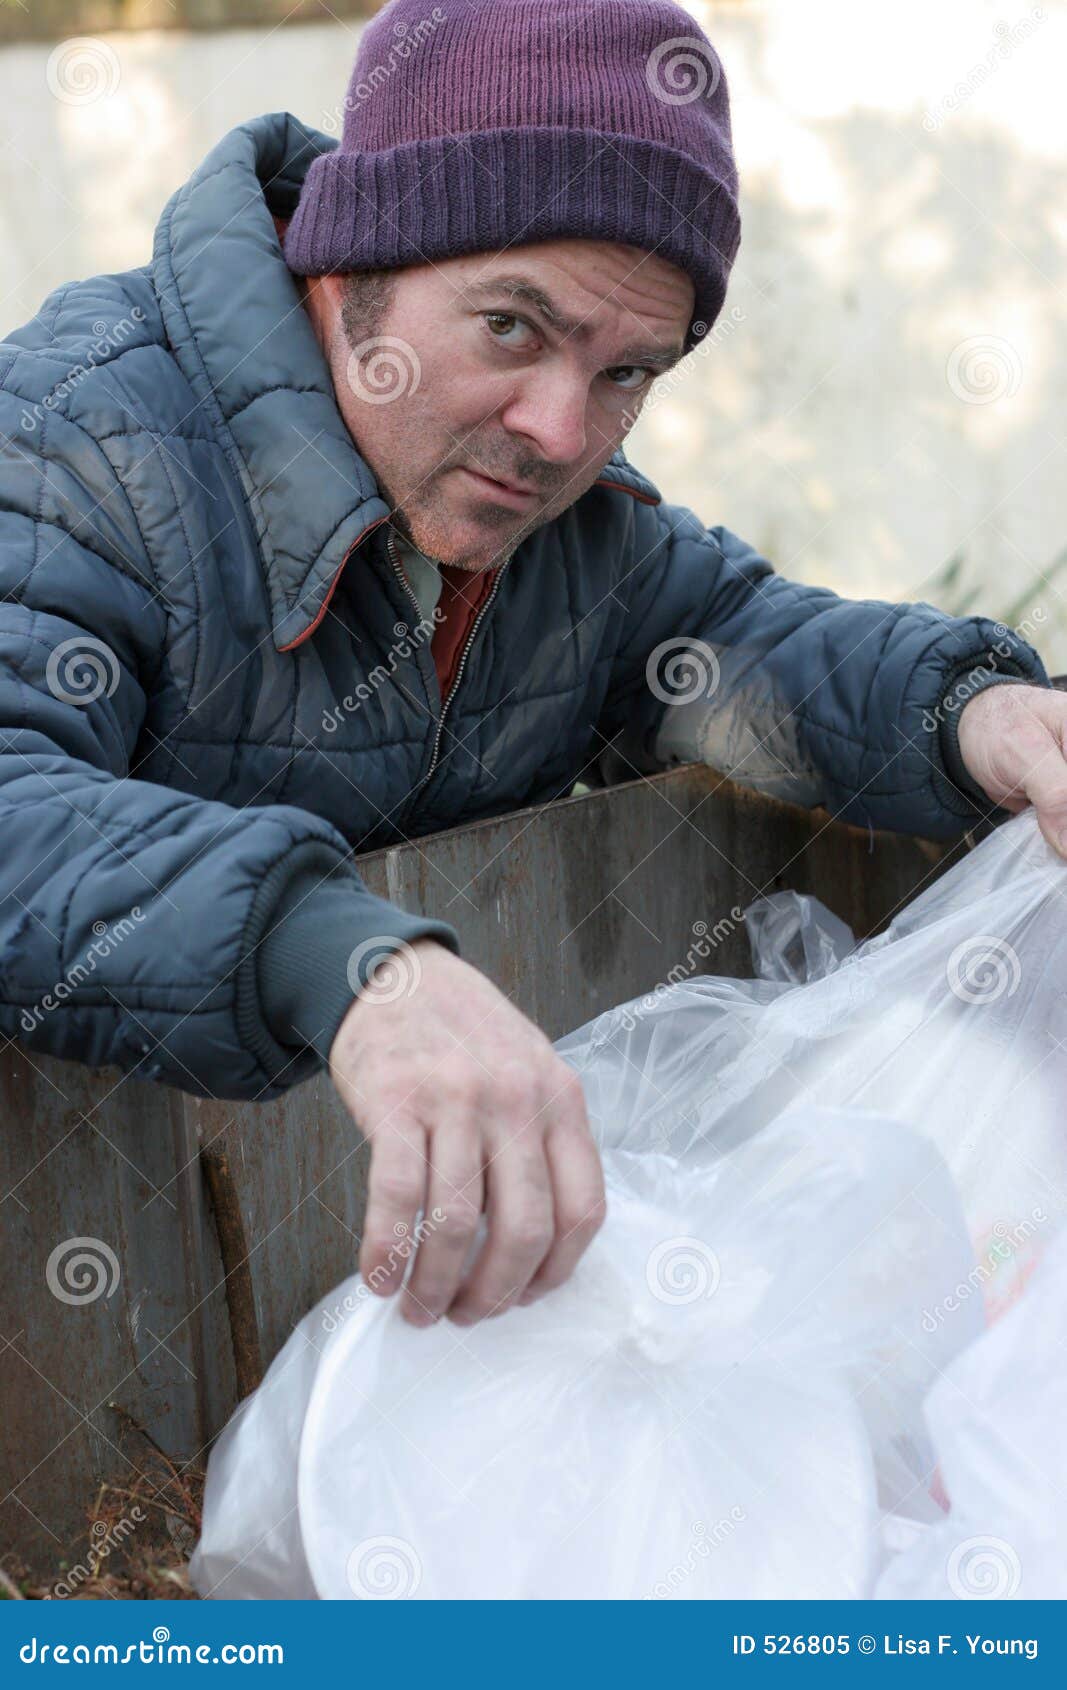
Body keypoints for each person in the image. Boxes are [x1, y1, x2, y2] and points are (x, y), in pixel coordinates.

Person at [0, 0, 1062, 1332]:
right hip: (85, 1356)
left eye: (626, 371)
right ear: (350, 261)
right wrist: (338, 955)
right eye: (512, 326)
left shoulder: (577, 545)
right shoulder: (69, 450)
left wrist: (979, 713)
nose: (560, 433)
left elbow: (750, 643)